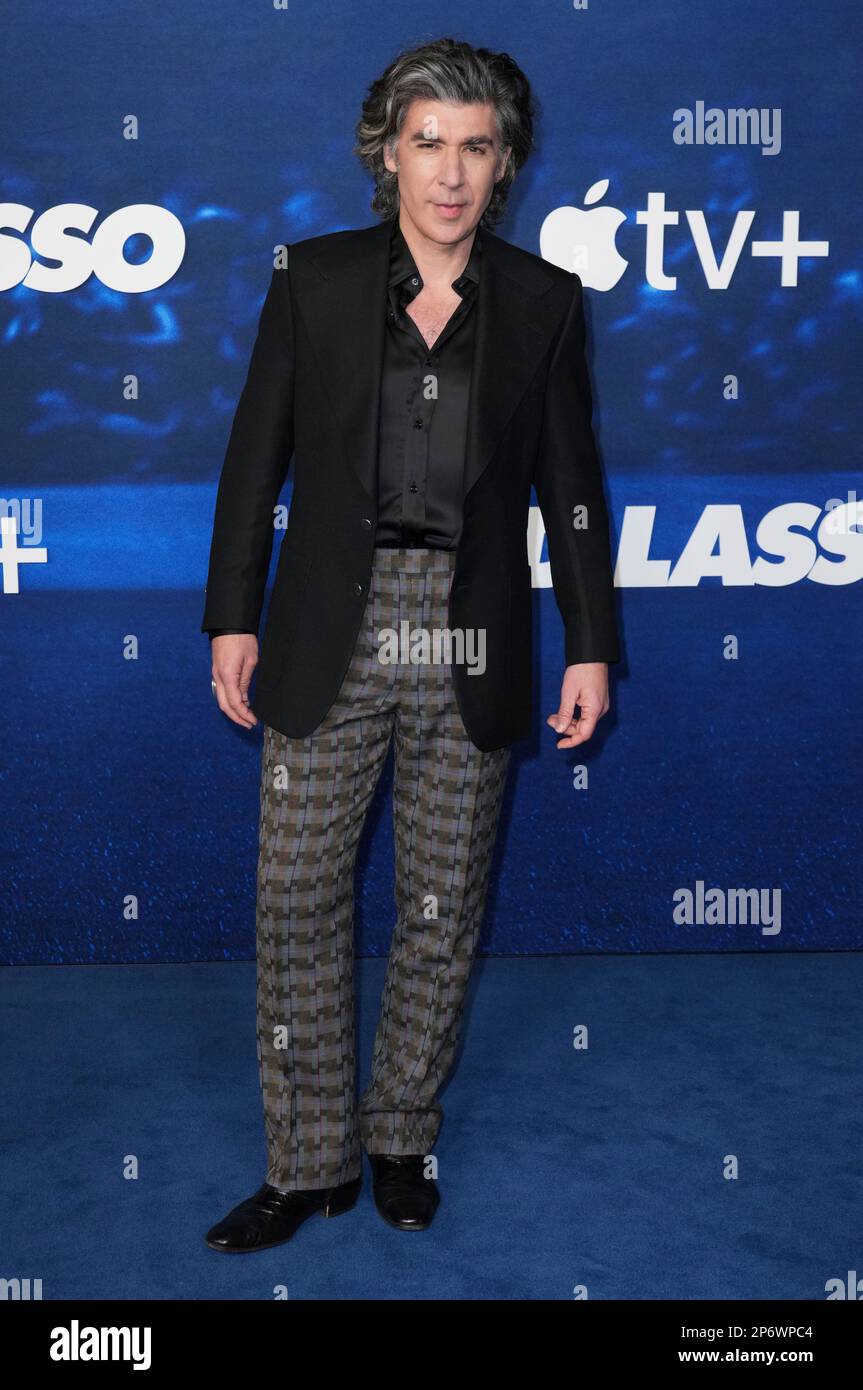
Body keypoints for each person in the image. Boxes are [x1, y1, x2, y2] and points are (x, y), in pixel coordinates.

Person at [200, 36, 620, 1253]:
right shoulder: (314, 281)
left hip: (474, 629)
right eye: (426, 142)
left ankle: (396, 1139)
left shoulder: (542, 303)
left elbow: (571, 491)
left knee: (440, 905)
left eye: (475, 147)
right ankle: (306, 1163)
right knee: (294, 896)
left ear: (504, 165)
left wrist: (588, 642)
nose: (450, 172)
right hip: (329, 618)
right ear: (386, 154)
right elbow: (251, 465)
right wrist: (233, 612)